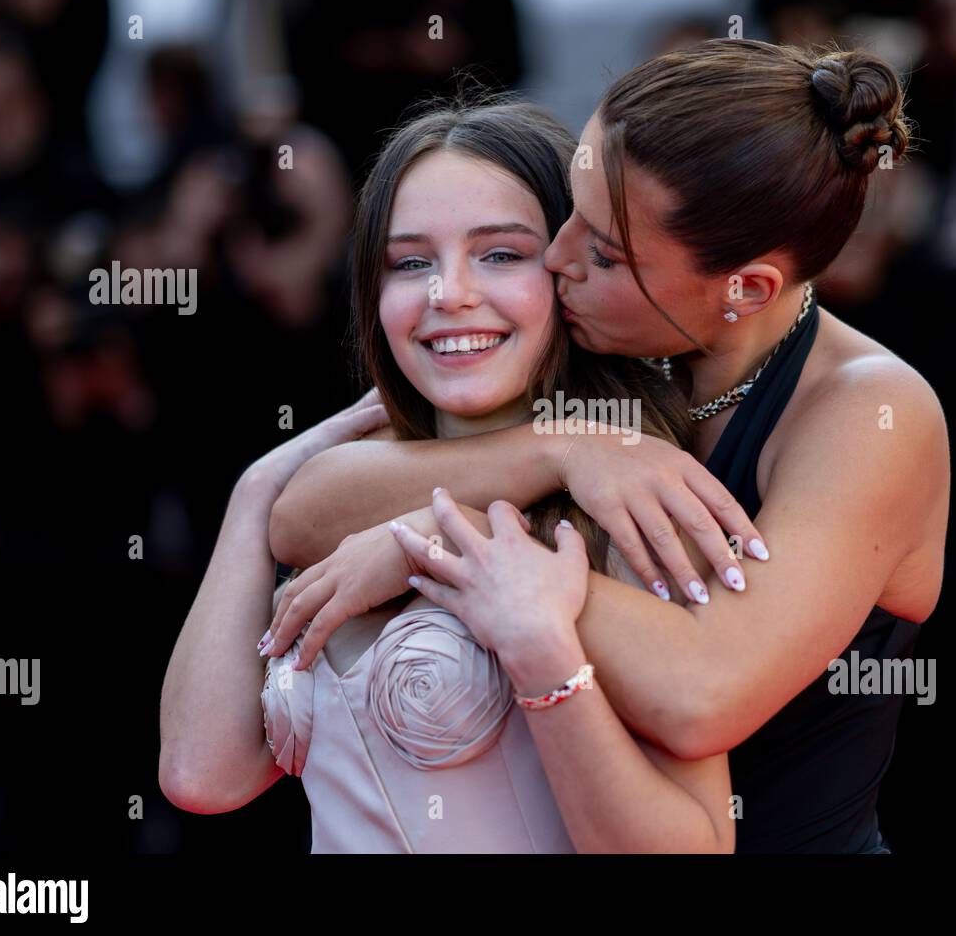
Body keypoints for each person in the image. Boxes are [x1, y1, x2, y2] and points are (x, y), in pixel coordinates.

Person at [269, 40, 951, 853]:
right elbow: (306, 512)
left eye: (604, 252)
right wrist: (560, 453)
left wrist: (449, 543)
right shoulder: (612, 340)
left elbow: (706, 690)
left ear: (747, 289)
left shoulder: (870, 409)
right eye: (569, 216)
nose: (555, 260)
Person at [160, 96, 735, 853]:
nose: (448, 293)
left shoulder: (625, 509)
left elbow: (694, 847)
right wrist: (255, 491)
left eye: (499, 253)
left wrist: (543, 653)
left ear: (573, 265)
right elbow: (204, 773)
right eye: (411, 262)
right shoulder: (339, 501)